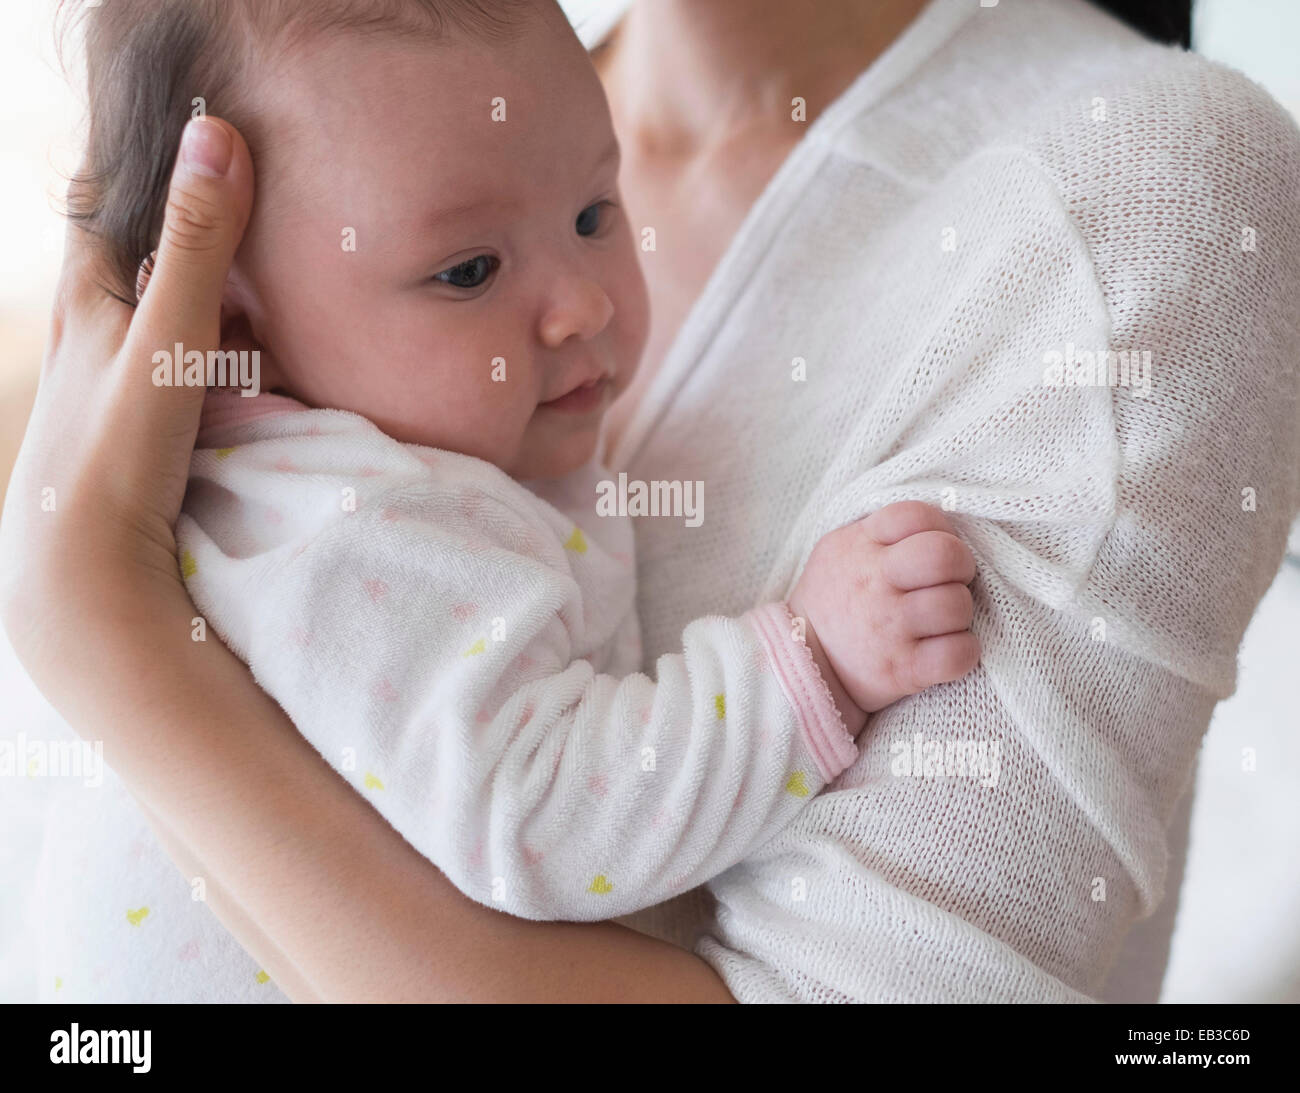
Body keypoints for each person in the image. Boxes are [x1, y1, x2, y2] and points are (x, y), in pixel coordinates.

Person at [5, 0, 1298, 1002]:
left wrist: (105, 640)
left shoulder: (1137, 193)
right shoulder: (366, 119)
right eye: (464, 270)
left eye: (593, 213)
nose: (582, 307)